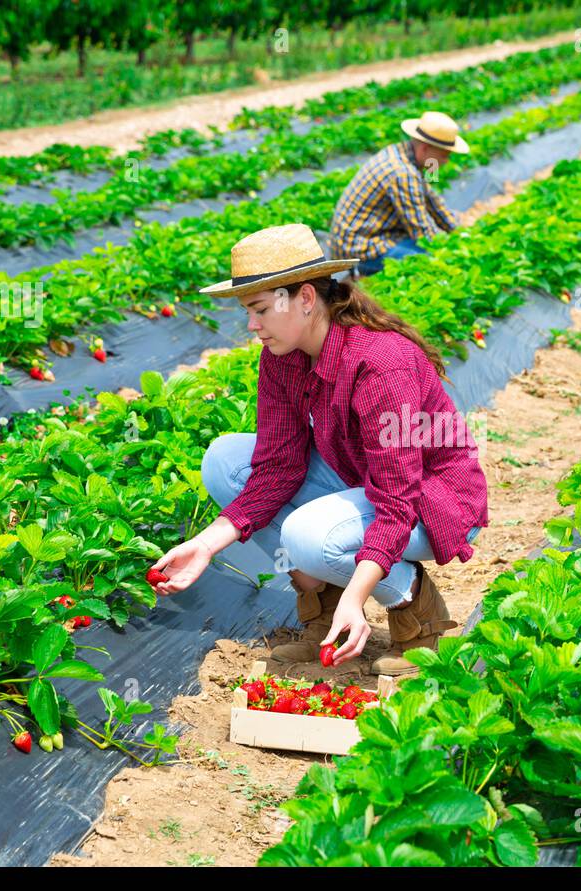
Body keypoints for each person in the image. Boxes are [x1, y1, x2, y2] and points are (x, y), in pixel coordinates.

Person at [149, 223, 489, 677]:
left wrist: (359, 595)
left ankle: (413, 605)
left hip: (432, 503)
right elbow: (276, 468)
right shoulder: (282, 356)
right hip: (361, 484)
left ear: (305, 299)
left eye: (260, 310)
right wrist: (206, 546)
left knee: (307, 535)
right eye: (247, 312)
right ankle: (325, 609)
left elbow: (396, 498)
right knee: (225, 461)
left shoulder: (380, 364)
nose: (252, 326)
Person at [329, 110, 469, 278]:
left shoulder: (404, 154)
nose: (446, 161)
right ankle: (361, 273)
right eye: (444, 155)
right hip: (357, 248)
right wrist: (453, 253)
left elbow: (432, 200)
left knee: (424, 250)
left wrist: (458, 233)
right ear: (425, 148)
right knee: (429, 261)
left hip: (371, 235)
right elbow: (422, 231)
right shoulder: (403, 173)